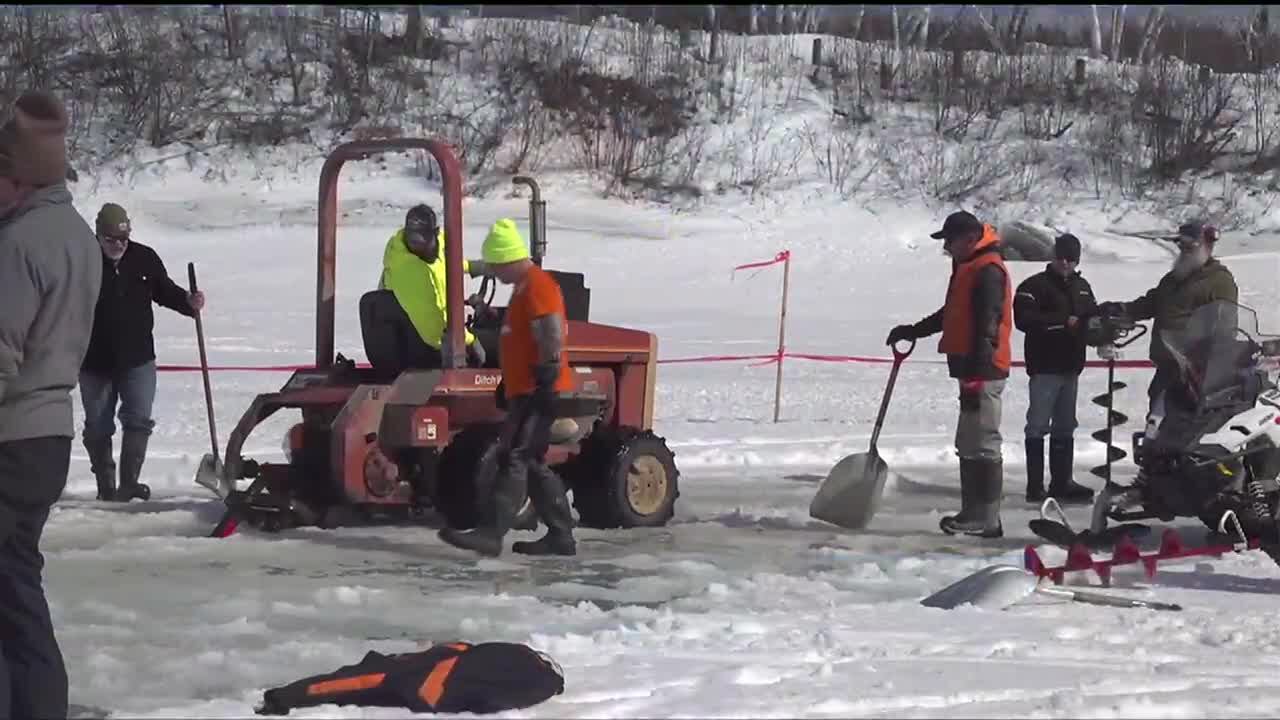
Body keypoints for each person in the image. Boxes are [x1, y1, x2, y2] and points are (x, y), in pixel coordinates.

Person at [0, 90, 98, 720]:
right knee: (13, 587)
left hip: (11, 437)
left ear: (19, 177)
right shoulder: (78, 235)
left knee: (12, 595)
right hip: (50, 435)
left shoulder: (18, 244)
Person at [438, 218, 577, 558]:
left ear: (508, 258)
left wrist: (547, 371)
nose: (495, 273)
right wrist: (507, 382)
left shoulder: (537, 286)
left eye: (497, 265)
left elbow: (551, 330)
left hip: (539, 389)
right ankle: (561, 537)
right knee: (532, 462)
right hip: (526, 388)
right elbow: (521, 342)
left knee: (515, 456)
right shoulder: (522, 288)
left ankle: (491, 533)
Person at [886, 211, 1013, 539]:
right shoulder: (969, 266)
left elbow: (988, 325)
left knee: (983, 442)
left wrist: (977, 371)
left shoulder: (988, 271)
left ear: (969, 239)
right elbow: (953, 313)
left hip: (982, 370)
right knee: (968, 443)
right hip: (971, 370)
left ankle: (986, 517)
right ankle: (974, 513)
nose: (946, 247)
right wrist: (914, 330)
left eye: (949, 241)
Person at [80, 203, 206, 502]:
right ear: (98, 235)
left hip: (138, 358)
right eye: (111, 239)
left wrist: (189, 302)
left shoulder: (144, 258)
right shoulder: (83, 260)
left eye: (123, 239)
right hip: (93, 360)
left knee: (138, 420)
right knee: (98, 425)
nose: (118, 246)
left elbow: (164, 291)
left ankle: (129, 485)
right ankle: (106, 488)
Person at [1097, 220, 1237, 427]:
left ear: (1207, 246)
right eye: (1181, 245)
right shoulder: (1172, 279)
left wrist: (1211, 361)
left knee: (1187, 428)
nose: (1183, 250)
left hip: (1197, 373)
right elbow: (1151, 303)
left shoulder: (1219, 281)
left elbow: (1226, 326)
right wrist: (1123, 309)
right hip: (1167, 367)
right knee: (1157, 424)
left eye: (1190, 245)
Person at [1012, 233, 1098, 505]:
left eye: (1071, 258)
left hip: (1071, 366)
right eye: (1061, 256)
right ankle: (1035, 486)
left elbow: (1091, 317)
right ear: (1053, 256)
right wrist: (1063, 321)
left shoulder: (1083, 287)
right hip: (1044, 366)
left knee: (1065, 425)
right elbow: (1024, 320)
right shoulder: (1033, 286)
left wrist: (1101, 331)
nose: (1065, 262)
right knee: (1037, 425)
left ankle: (1062, 482)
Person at [369, 204, 487, 373]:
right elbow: (433, 331)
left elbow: (441, 266)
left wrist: (473, 267)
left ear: (435, 232)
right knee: (502, 344)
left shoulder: (438, 246)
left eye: (422, 238)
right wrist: (470, 341)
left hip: (440, 332)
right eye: (413, 239)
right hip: (423, 347)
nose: (417, 244)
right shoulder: (408, 271)